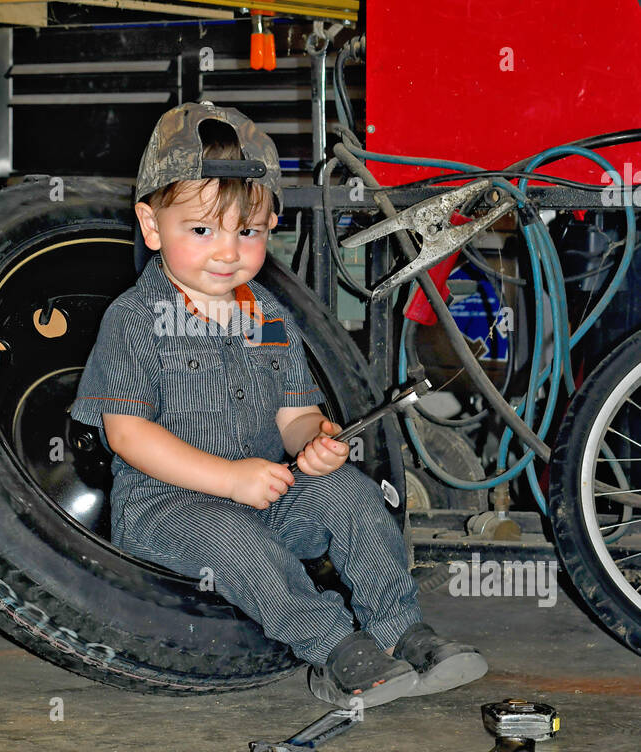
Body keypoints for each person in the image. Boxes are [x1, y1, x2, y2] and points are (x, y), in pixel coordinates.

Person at [70, 101, 487, 708]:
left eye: (250, 232)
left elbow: (292, 411)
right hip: (168, 507)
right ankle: (336, 652)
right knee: (239, 544)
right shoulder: (136, 320)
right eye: (201, 230)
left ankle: (402, 630)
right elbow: (128, 433)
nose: (227, 251)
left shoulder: (262, 315)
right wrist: (228, 479)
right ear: (152, 224)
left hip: (271, 488)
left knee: (354, 497)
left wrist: (315, 441)